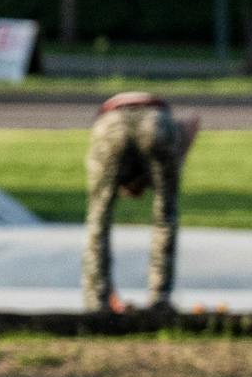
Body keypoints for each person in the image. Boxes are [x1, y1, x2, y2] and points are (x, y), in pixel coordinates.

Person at [84, 92, 200, 314]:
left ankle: (97, 300)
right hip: (157, 122)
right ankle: (160, 299)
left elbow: (193, 121)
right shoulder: (169, 126)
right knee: (166, 216)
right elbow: (193, 120)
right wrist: (177, 159)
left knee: (98, 217)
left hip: (111, 122)